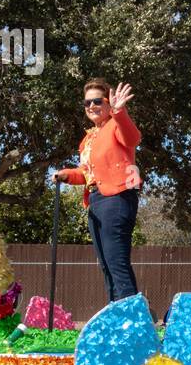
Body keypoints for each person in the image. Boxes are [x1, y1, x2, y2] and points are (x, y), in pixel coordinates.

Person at [54, 79, 142, 304]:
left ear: (107, 102)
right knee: (104, 262)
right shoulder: (88, 139)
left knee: (116, 260)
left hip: (117, 198)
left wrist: (119, 111)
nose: (91, 106)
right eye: (87, 102)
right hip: (95, 200)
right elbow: (86, 173)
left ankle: (132, 319)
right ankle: (114, 312)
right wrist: (65, 174)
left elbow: (133, 138)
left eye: (97, 101)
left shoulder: (116, 124)